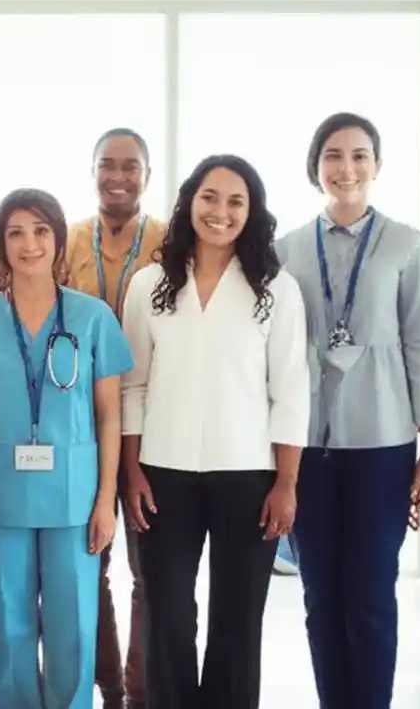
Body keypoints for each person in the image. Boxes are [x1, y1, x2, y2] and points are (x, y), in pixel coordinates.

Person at [121, 156, 309, 708]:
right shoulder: (149, 285)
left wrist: (286, 482)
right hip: (163, 473)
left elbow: (291, 391)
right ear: (188, 203)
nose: (220, 212)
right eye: (209, 197)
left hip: (248, 475)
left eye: (235, 201)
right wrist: (131, 471)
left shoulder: (275, 289)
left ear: (251, 213)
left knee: (238, 618)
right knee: (170, 615)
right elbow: (132, 386)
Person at [275, 112, 420, 709]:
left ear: (376, 165)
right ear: (315, 164)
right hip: (309, 449)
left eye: (359, 155)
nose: (345, 168)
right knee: (320, 594)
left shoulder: (405, 243)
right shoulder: (287, 249)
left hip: (383, 445)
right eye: (332, 155)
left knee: (372, 594)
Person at [0, 187, 131, 709]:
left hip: (73, 500)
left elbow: (110, 416)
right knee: (8, 629)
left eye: (40, 231)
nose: (29, 243)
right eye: (16, 232)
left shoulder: (93, 317)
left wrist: (105, 502)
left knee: (72, 627)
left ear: (57, 241)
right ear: (1, 245)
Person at [64, 127, 167, 709]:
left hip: (154, 429)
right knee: (86, 565)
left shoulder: (170, 240)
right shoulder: (66, 240)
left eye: (131, 166)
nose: (118, 176)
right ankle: (106, 682)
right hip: (80, 425)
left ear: (147, 176)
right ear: (93, 170)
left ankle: (143, 692)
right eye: (108, 164)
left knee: (149, 570)